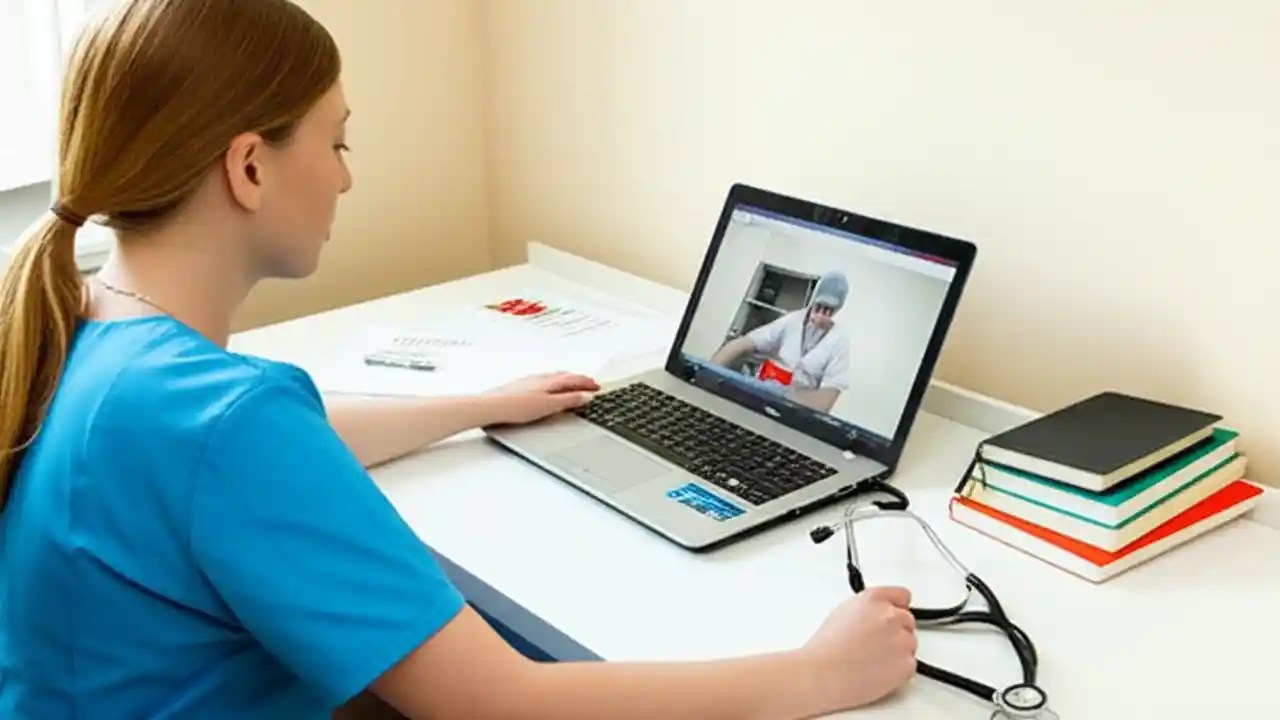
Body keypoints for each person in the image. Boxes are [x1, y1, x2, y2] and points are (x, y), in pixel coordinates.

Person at [0, 2, 917, 718]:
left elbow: (241, 456)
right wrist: (817, 673)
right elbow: (498, 704)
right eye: (337, 140)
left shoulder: (83, 323)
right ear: (248, 167)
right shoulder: (227, 424)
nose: (348, 175)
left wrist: (476, 406)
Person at [711, 270, 852, 412]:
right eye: (819, 307)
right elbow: (741, 344)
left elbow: (824, 403)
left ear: (837, 310)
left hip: (798, 412)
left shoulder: (839, 342)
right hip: (762, 399)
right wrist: (709, 372)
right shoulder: (792, 321)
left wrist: (787, 394)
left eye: (828, 310)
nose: (822, 314)